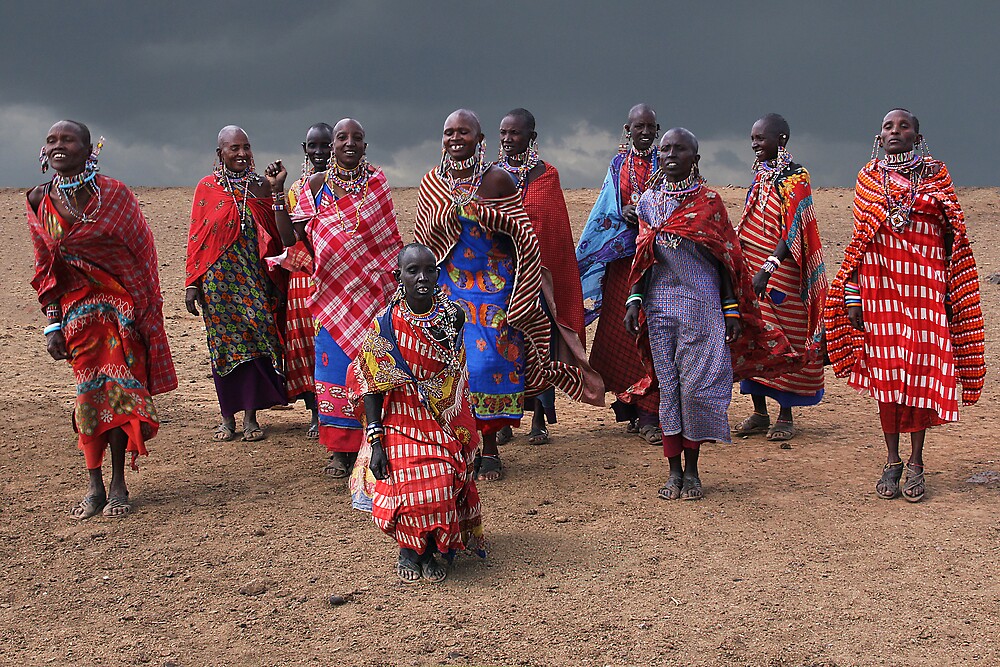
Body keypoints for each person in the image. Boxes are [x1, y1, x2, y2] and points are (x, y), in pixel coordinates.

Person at [415, 109, 603, 482]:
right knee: (454, 370)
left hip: (494, 290)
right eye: (449, 131)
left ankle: (490, 448)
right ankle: (460, 447)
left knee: (489, 368)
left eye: (464, 132)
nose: (456, 138)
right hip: (449, 290)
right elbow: (426, 242)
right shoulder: (432, 183)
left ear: (479, 139)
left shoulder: (497, 179)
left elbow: (524, 237)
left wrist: (520, 288)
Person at [624, 128, 800, 500]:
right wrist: (634, 301)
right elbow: (643, 259)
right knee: (668, 390)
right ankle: (673, 473)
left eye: (681, 148)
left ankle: (693, 471)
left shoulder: (709, 203)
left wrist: (732, 312)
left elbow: (726, 262)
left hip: (703, 311)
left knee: (695, 391)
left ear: (695, 158)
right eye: (666, 148)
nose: (671, 154)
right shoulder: (649, 203)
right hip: (659, 312)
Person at [824, 108, 985, 502]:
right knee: (888, 377)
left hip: (926, 293)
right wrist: (853, 296)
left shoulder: (936, 175)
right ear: (879, 136)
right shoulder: (867, 179)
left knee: (921, 375)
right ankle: (892, 460)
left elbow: (953, 233)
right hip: (880, 295)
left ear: (917, 134)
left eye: (904, 126)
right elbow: (860, 242)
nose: (895, 131)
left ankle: (917, 463)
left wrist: (951, 295)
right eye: (888, 126)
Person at [27, 120, 177, 518]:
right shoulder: (39, 201)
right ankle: (93, 483)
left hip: (121, 314)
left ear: (88, 148)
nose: (58, 146)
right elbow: (47, 268)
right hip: (78, 319)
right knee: (89, 396)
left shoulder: (114, 196)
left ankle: (117, 484)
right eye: (51, 141)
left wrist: (145, 314)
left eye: (67, 140)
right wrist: (53, 323)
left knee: (119, 395)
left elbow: (142, 254)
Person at [268, 118, 401, 477]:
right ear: (334, 145)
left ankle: (378, 442)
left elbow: (389, 242)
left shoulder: (377, 183)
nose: (349, 143)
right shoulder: (314, 186)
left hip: (374, 295)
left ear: (365, 145)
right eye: (343, 137)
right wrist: (279, 193)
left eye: (357, 137)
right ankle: (340, 451)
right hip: (333, 296)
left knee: (375, 368)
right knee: (335, 369)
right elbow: (292, 240)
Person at [347, 243, 485, 583]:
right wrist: (376, 441)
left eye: (428, 270)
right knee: (407, 483)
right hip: (400, 418)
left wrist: (468, 429)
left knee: (443, 482)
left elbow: (457, 376)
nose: (422, 278)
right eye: (413, 271)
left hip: (443, 417)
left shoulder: (454, 316)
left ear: (438, 275)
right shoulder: (385, 325)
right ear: (399, 277)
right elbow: (371, 383)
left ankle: (435, 548)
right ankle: (410, 550)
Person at [186, 126, 289, 442]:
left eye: (246, 147)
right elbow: (197, 237)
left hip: (255, 280)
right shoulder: (207, 187)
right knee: (224, 350)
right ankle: (227, 418)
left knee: (258, 342)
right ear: (220, 153)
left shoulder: (261, 186)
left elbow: (277, 235)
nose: (242, 153)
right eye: (234, 148)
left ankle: (251, 417)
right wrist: (192, 283)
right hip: (217, 286)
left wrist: (276, 189)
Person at [494, 108, 591, 446]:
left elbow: (554, 232)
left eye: (515, 133)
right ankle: (503, 419)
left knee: (541, 346)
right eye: (503, 133)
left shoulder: (547, 175)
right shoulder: (492, 177)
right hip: (503, 280)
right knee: (504, 347)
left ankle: (539, 418)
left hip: (540, 280)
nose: (507, 139)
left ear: (531, 137)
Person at [733, 114, 828, 442]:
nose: (755, 144)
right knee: (753, 334)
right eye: (753, 138)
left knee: (784, 335)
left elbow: (794, 230)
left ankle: (785, 414)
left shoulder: (796, 177)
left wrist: (768, 268)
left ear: (781, 139)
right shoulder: (760, 174)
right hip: (752, 268)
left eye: (761, 138)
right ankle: (759, 412)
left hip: (782, 272)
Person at [576, 104, 663, 444]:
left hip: (655, 265)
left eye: (650, 127)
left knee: (650, 335)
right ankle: (630, 408)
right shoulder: (617, 165)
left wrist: (646, 211)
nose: (645, 132)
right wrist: (622, 211)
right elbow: (605, 207)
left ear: (657, 130)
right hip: (621, 265)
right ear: (627, 129)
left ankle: (650, 414)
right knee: (620, 336)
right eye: (638, 126)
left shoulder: (666, 161)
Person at [271, 123, 334, 439]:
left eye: (326, 145)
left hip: (337, 275)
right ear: (304, 149)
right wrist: (277, 191)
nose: (320, 152)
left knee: (335, 342)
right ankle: (316, 412)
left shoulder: (348, 186)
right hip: (304, 277)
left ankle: (339, 410)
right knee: (306, 345)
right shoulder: (297, 189)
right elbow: (288, 238)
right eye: (314, 146)